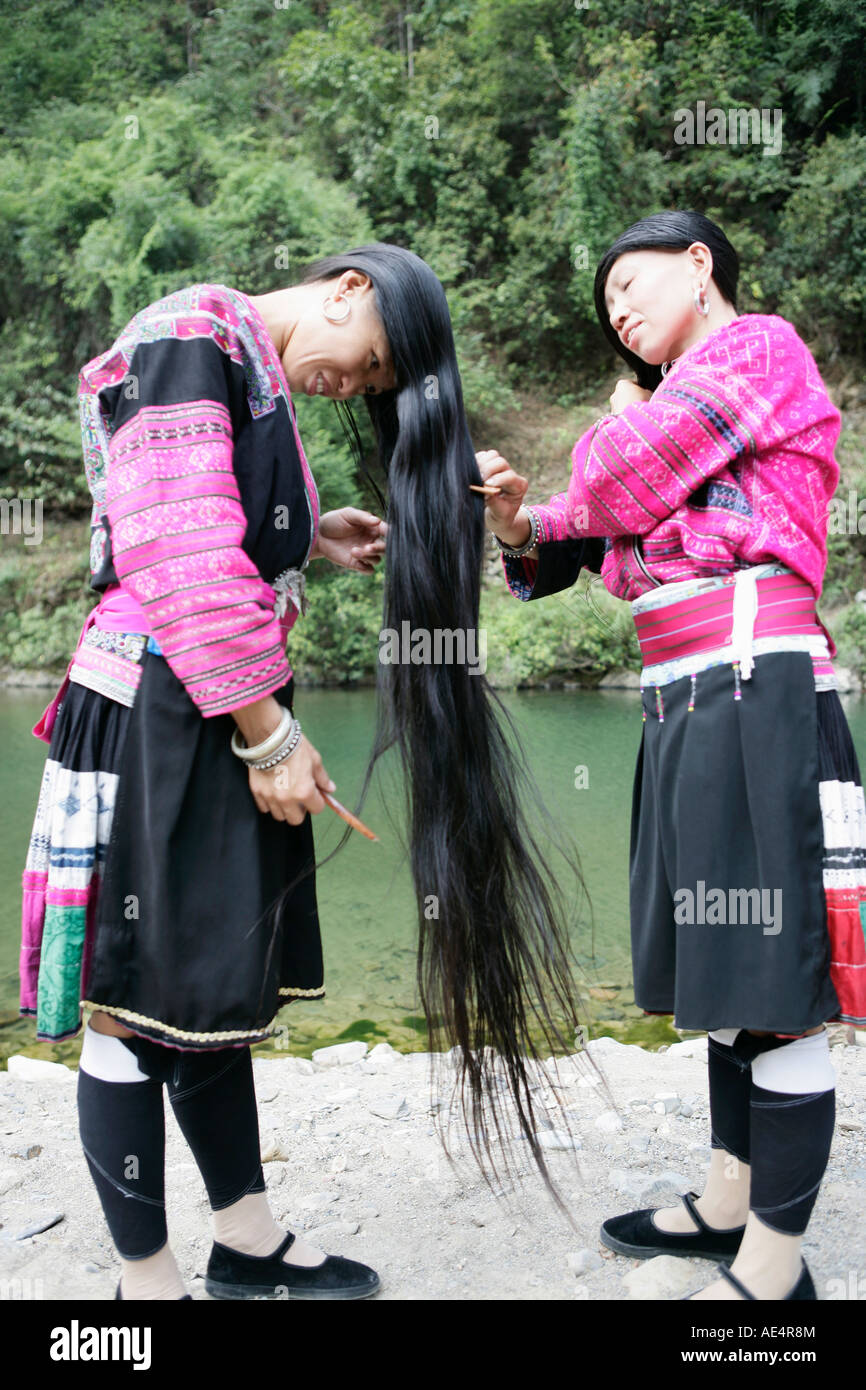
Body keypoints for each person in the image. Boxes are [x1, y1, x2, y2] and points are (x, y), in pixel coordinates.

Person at [20, 242, 589, 1301]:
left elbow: (207, 519)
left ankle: (246, 1246)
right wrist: (269, 734)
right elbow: (177, 553)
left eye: (375, 386)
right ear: (348, 290)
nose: (357, 387)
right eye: (373, 365)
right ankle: (145, 1287)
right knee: (131, 1002)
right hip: (163, 700)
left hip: (196, 697)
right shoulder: (192, 330)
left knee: (203, 994)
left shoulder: (242, 362)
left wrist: (307, 535)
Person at [476, 210, 866, 1301]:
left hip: (753, 689)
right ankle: (726, 1201)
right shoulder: (675, 408)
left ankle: (773, 1270)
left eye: (630, 285)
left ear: (699, 263)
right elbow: (570, 526)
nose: (618, 311)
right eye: (606, 306)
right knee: (724, 972)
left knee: (772, 982)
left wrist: (610, 429)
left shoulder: (755, 350)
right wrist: (516, 524)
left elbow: (616, 483)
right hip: (685, 699)